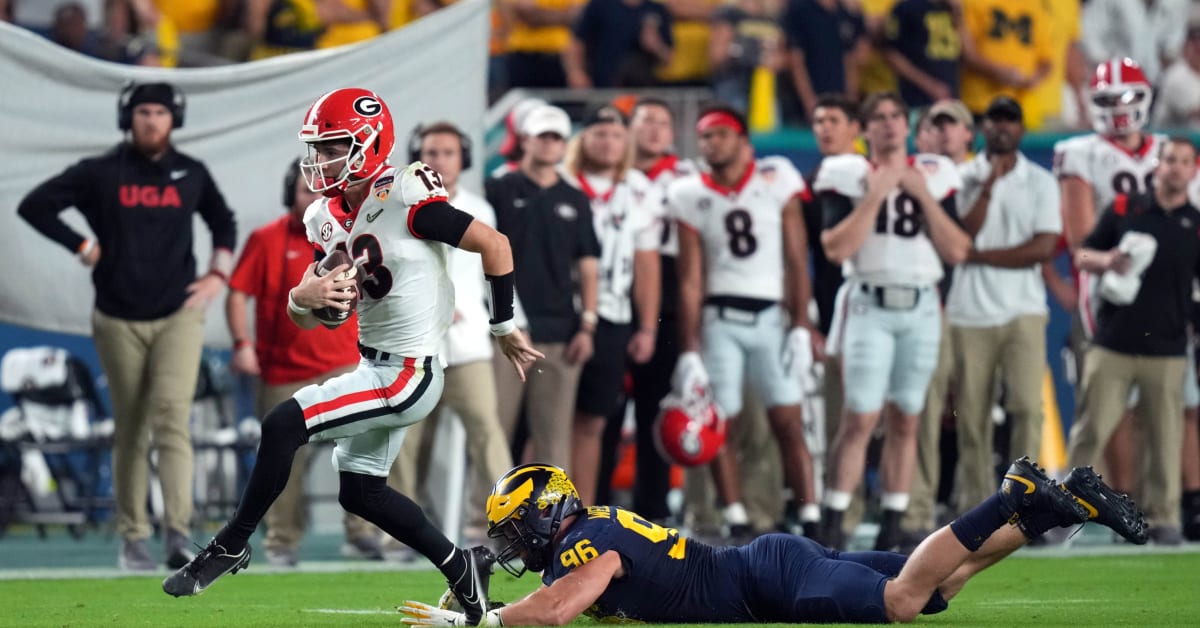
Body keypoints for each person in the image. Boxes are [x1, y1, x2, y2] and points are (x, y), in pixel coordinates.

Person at [162, 88, 542, 627]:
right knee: (362, 492)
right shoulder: (322, 214)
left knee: (282, 424)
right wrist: (302, 299)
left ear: (369, 143)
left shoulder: (405, 191)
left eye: (333, 147)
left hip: (408, 372)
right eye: (317, 148)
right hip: (375, 366)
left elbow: (495, 245)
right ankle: (462, 565)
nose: (320, 160)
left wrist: (502, 325)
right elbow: (325, 314)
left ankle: (232, 543)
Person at [400, 459, 1145, 626]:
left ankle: (1010, 495)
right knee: (940, 590)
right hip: (769, 563)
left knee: (903, 601)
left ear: (545, 513)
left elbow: (561, 608)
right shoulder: (591, 527)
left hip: (768, 581)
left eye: (515, 528)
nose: (514, 543)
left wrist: (481, 622)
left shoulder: (585, 544)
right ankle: (1051, 509)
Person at [17, 81, 236, 571]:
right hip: (118, 316)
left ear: (174, 119)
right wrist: (81, 245)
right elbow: (34, 205)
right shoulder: (99, 172)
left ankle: (178, 534)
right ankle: (134, 537)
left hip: (179, 313)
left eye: (160, 112)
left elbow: (223, 222)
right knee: (132, 426)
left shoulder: (190, 172)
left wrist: (217, 275)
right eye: (143, 112)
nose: (152, 120)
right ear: (127, 118)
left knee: (172, 418)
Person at [816, 92, 970, 550]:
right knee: (860, 418)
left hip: (922, 304)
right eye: (878, 117)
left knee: (907, 418)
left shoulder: (934, 174)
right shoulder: (847, 172)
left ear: (907, 125)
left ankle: (893, 524)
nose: (888, 124)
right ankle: (834, 522)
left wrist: (921, 195)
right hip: (870, 301)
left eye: (895, 116)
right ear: (864, 129)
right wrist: (876, 193)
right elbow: (836, 248)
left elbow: (957, 249)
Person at [670, 104, 820, 537]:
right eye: (705, 136)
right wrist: (690, 349)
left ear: (743, 141)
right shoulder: (689, 193)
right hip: (720, 318)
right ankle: (735, 516)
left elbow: (797, 259)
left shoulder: (776, 178)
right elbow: (690, 279)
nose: (711, 143)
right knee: (722, 422)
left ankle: (811, 515)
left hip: (772, 316)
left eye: (721, 133)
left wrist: (801, 324)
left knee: (788, 420)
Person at [226, 158, 381, 567]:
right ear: (288, 194)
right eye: (304, 190)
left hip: (345, 364)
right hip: (284, 372)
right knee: (284, 462)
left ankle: (363, 534)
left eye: (318, 189)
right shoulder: (265, 239)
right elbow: (237, 293)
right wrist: (242, 343)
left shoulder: (351, 234)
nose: (313, 196)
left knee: (362, 450)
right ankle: (281, 540)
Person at [1068, 136, 1200, 545]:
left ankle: (1163, 517)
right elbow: (1081, 255)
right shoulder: (1127, 208)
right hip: (1114, 341)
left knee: (1165, 439)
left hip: (1168, 347)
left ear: (1193, 170)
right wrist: (1108, 260)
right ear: (1157, 165)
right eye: (1169, 159)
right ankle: (1059, 512)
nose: (1175, 167)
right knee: (1091, 430)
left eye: (1184, 161)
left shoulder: (1196, 223)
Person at [388, 121, 514, 544]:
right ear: (417, 158)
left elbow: (491, 272)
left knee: (487, 432)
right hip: (415, 342)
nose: (439, 161)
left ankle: (514, 525)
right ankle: (397, 533)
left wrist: (508, 322)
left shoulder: (481, 208)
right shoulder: (398, 207)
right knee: (405, 440)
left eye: (448, 153)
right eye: (431, 153)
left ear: (464, 160)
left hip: (466, 344)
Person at [947, 96, 1062, 512]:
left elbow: (1043, 247)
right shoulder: (963, 176)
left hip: (1023, 310)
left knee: (1028, 409)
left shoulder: (1041, 181)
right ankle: (976, 508)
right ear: (984, 129)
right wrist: (988, 186)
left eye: (1009, 120)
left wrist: (977, 256)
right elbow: (961, 234)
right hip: (968, 312)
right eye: (994, 120)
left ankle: (1025, 504)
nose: (1001, 127)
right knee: (971, 418)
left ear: (1021, 129)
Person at [485, 104, 600, 470]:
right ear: (525, 140)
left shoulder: (576, 198)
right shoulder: (498, 189)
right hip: (505, 332)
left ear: (565, 144)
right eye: (543, 136)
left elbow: (588, 267)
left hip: (558, 332)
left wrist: (588, 325)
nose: (550, 143)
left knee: (553, 439)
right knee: (493, 435)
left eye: (556, 137)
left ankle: (554, 508)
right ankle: (484, 507)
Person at [563, 104, 662, 507]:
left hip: (614, 314)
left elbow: (646, 263)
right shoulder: (563, 180)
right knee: (547, 420)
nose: (608, 142)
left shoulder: (639, 189)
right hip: (561, 312)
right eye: (600, 133)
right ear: (583, 139)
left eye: (616, 135)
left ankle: (581, 513)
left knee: (594, 420)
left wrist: (648, 327)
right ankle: (532, 513)